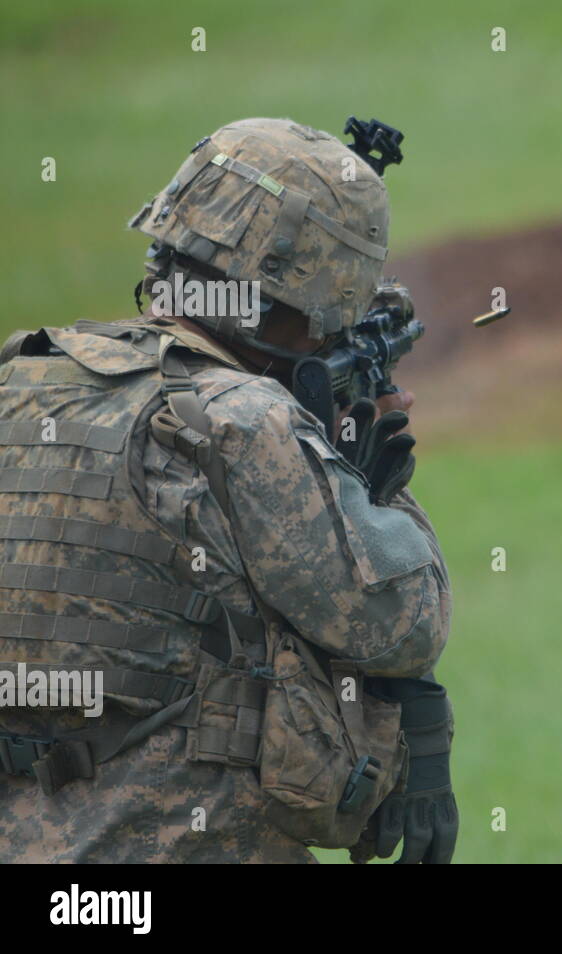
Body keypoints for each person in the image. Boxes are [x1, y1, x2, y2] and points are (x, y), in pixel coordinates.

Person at [0, 117, 457, 863]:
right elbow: (401, 625)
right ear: (297, 302)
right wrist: (374, 486)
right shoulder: (243, 421)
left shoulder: (20, 381)